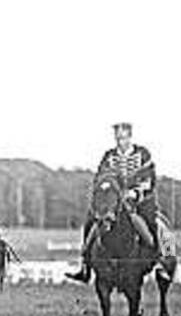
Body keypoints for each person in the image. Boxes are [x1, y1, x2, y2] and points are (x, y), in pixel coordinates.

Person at [66, 121, 162, 282]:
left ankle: (158, 259)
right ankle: (85, 265)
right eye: (118, 139)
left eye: (123, 138)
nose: (120, 142)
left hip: (138, 198)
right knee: (91, 220)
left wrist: (135, 192)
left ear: (130, 137)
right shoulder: (109, 156)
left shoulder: (143, 154)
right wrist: (106, 191)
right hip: (114, 198)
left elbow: (149, 178)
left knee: (150, 219)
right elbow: (101, 177)